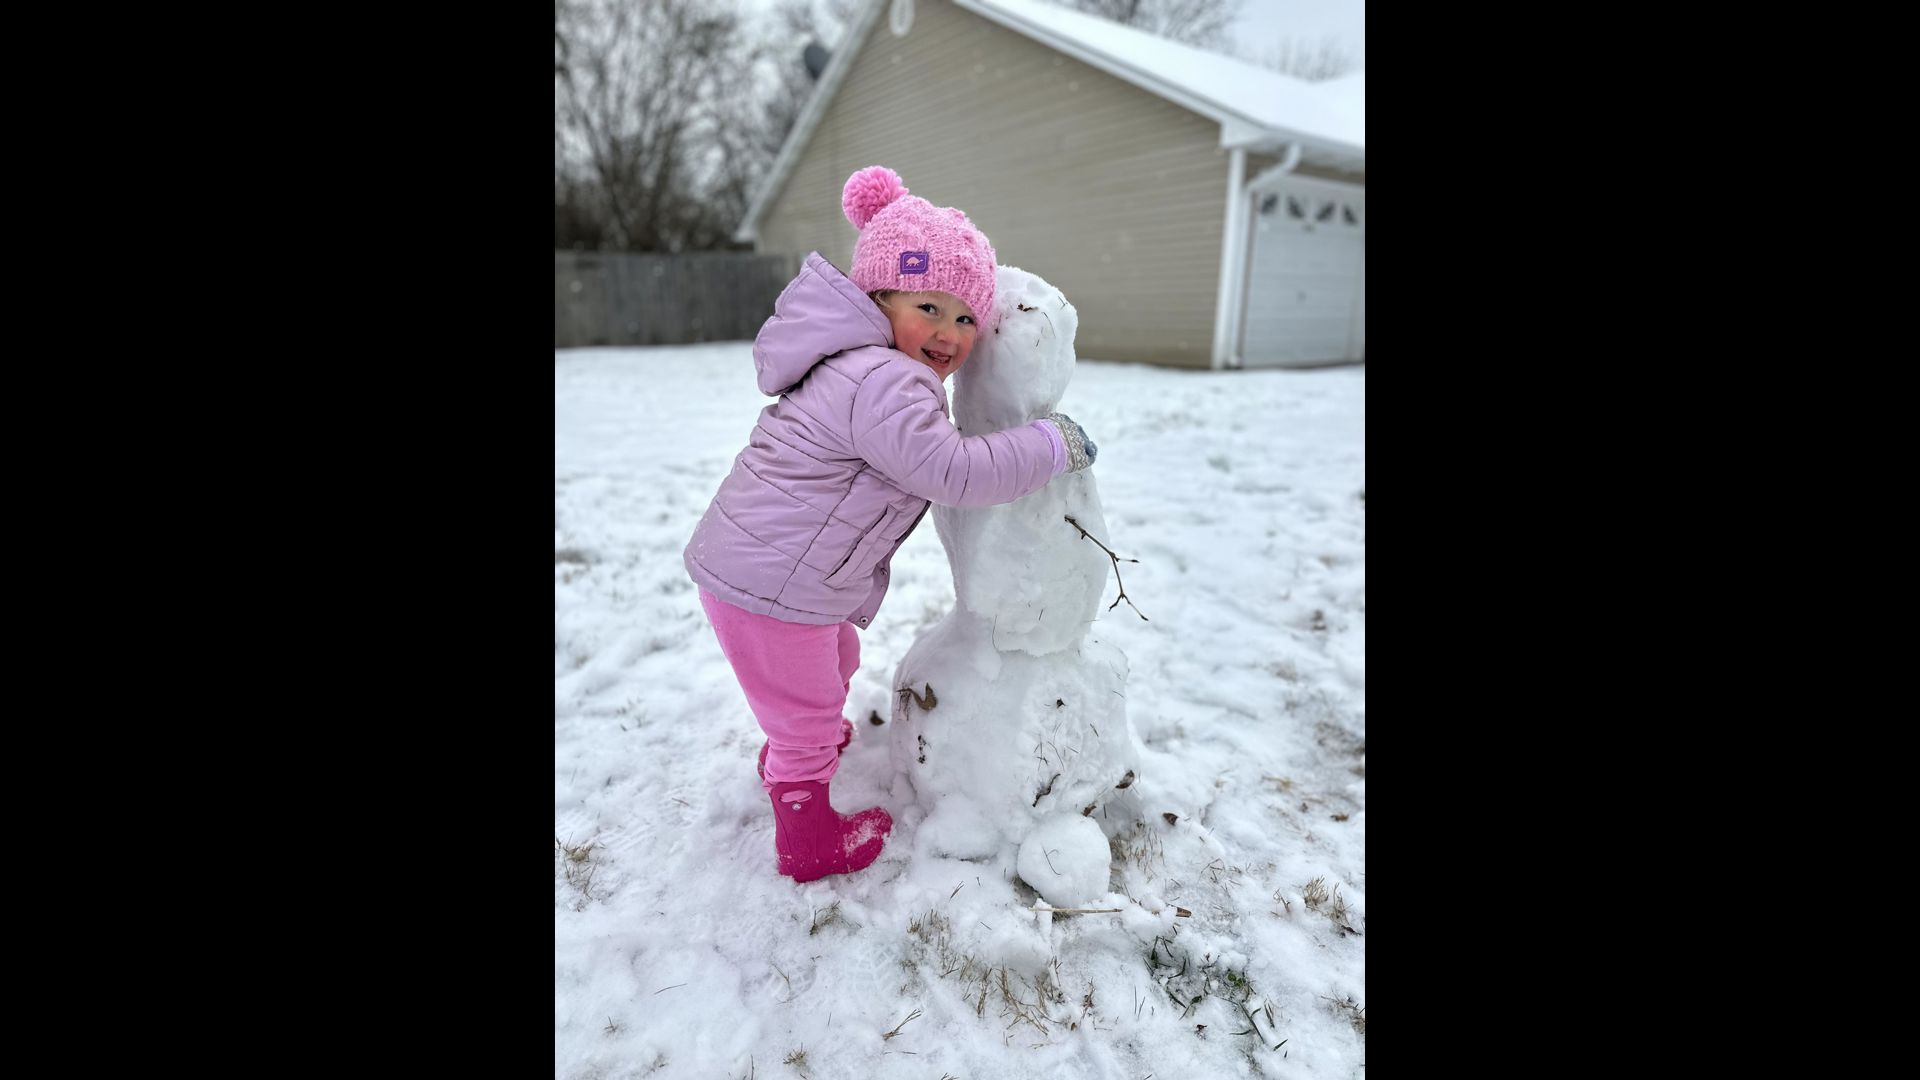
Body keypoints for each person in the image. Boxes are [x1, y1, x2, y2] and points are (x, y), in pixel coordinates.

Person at [684, 166, 1097, 882]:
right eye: (928, 308)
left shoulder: (855, 364)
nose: (949, 333)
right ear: (879, 296)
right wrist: (1050, 444)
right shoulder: (886, 379)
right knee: (808, 707)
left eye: (966, 317)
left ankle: (794, 750)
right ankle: (807, 830)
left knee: (830, 669)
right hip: (775, 585)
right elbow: (953, 472)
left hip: (764, 575)